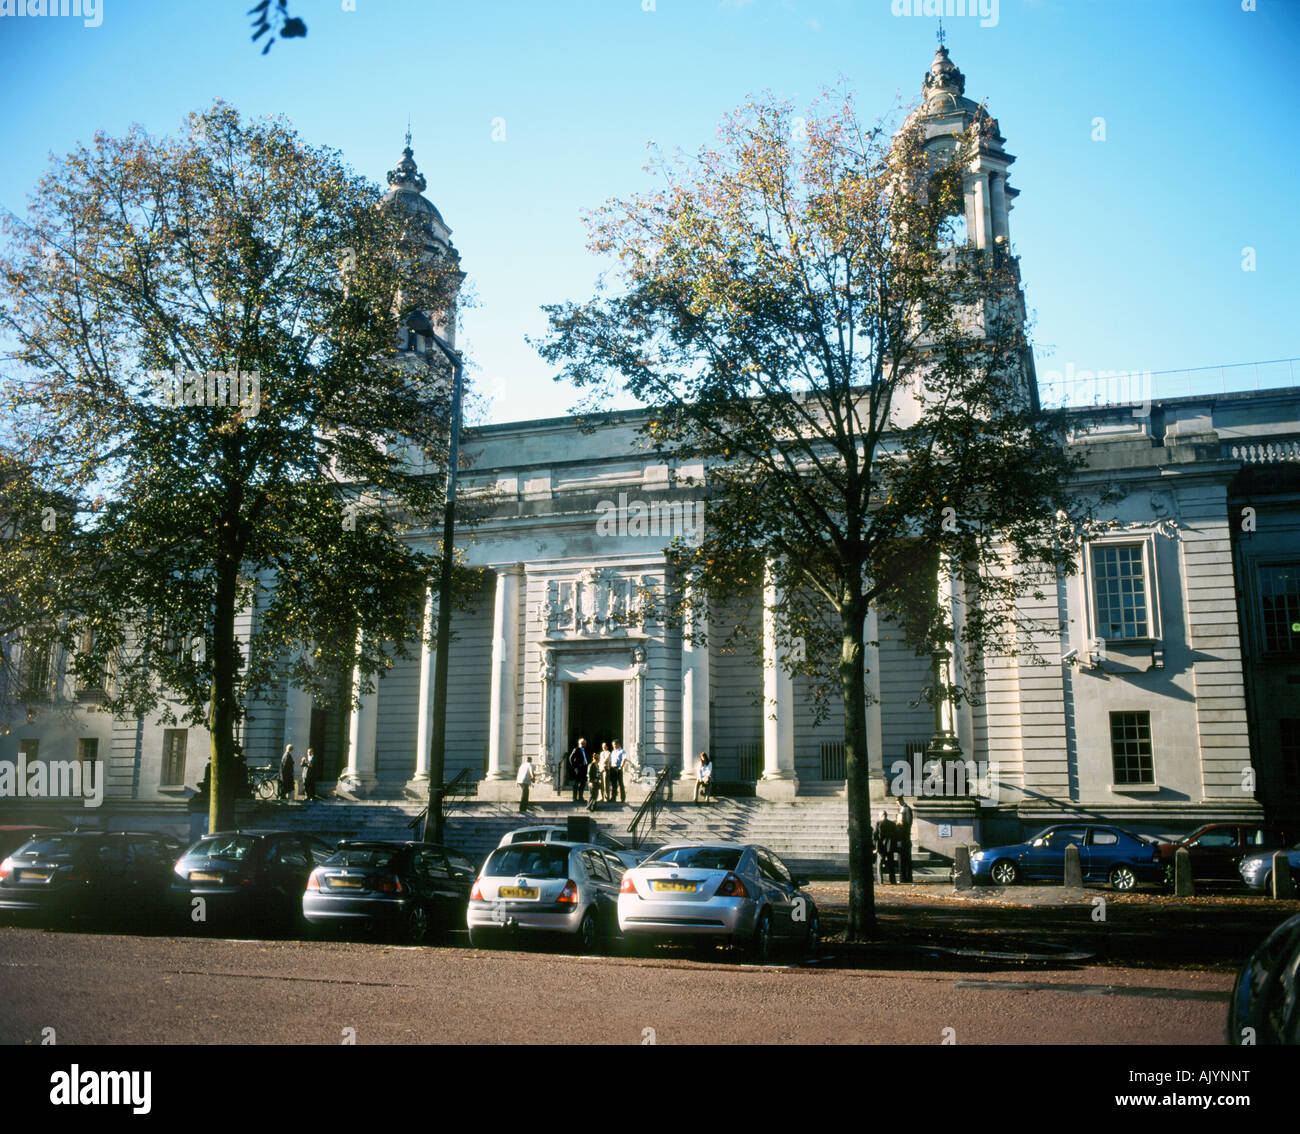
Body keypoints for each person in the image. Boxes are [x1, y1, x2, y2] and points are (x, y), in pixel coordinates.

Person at [874, 812, 897, 885]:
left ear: (881, 816)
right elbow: (895, 835)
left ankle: (880, 881)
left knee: (879, 864)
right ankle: (892, 880)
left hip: (881, 846)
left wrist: (875, 847)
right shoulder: (892, 824)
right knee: (891, 864)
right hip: (889, 847)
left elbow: (875, 835)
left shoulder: (878, 823)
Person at [896, 797, 914, 883]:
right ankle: (902, 878)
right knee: (901, 859)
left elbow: (908, 822)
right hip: (900, 837)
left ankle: (907, 878)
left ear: (901, 801)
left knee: (906, 859)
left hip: (905, 837)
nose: (898, 803)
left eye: (898, 801)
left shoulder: (907, 809)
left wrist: (901, 826)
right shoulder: (901, 809)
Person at [567, 738, 589, 803]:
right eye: (583, 743)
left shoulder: (585, 750)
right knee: (576, 783)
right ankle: (574, 798)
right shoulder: (576, 749)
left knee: (582, 783)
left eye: (585, 743)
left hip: (584, 768)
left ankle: (580, 797)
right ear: (580, 743)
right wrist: (575, 767)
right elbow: (571, 758)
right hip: (578, 769)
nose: (584, 744)